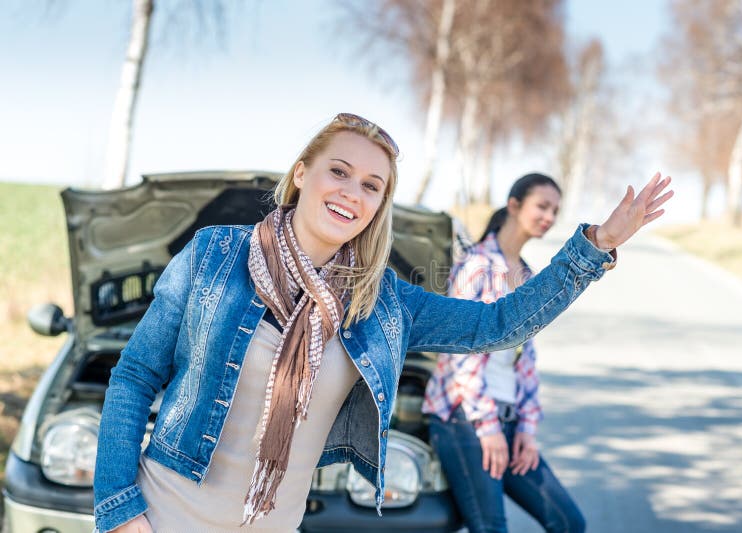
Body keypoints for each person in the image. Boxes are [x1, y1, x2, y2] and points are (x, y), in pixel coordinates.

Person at [92, 112, 673, 533]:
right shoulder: (214, 255)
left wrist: (594, 247)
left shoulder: (383, 303)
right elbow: (135, 375)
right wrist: (120, 510)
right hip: (162, 518)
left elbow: (500, 324)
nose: (352, 192)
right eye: (338, 172)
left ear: (380, 205)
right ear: (301, 174)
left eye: (372, 186)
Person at [423, 173, 587, 533]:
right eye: (542, 206)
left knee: (569, 522)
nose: (549, 216)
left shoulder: (527, 274)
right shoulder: (476, 265)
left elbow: (525, 363)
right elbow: (457, 351)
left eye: (555, 210)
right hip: (465, 419)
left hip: (510, 419)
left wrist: (527, 429)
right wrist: (486, 425)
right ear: (514, 205)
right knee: (491, 528)